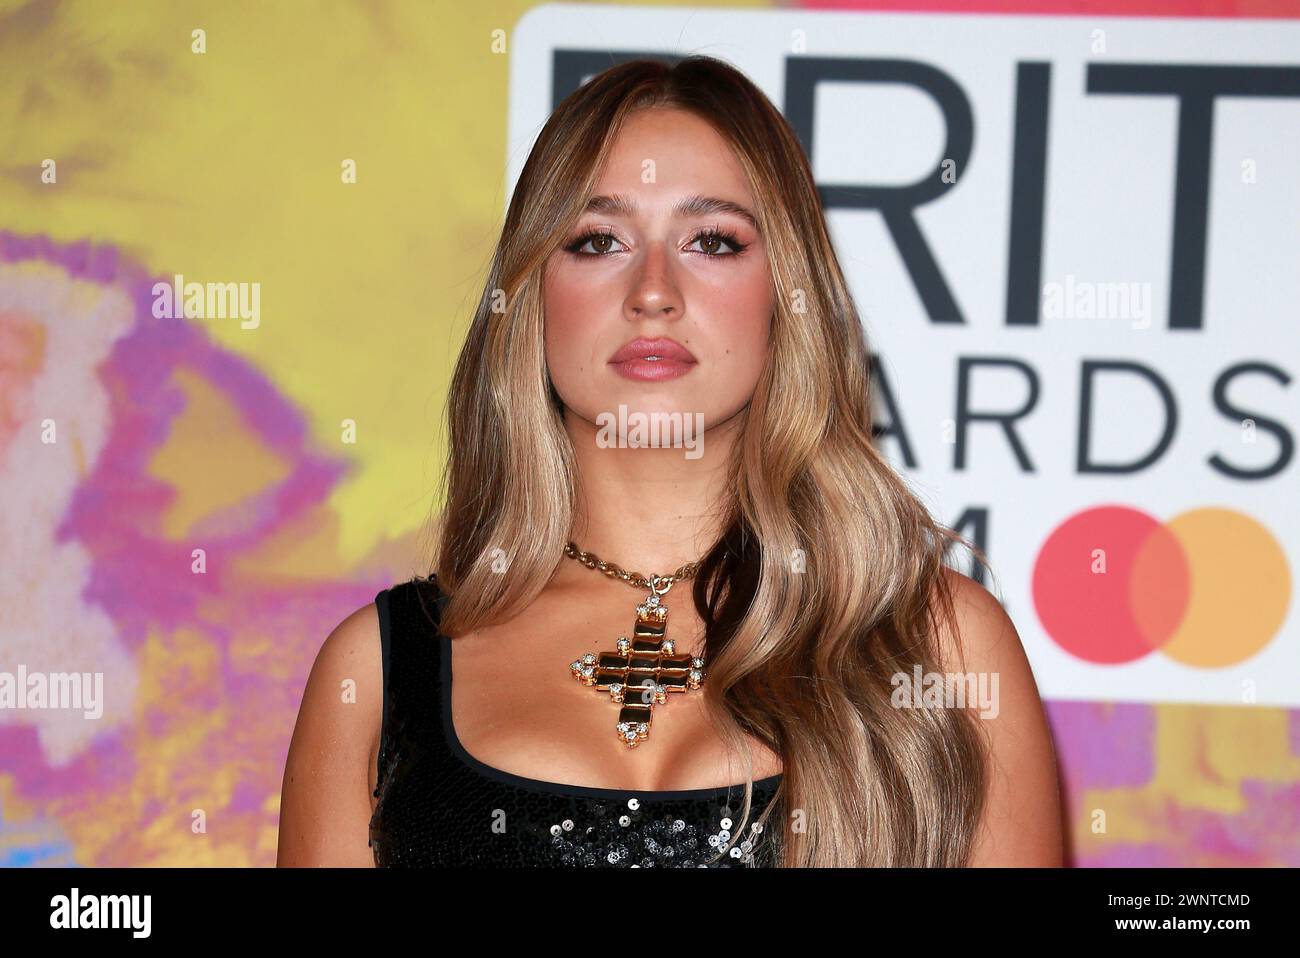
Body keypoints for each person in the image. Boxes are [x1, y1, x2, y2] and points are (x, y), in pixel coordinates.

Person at [277, 55, 1063, 868]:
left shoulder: (936, 645)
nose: (653, 290)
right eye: (599, 240)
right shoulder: (374, 669)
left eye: (713, 240)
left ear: (788, 294)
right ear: (531, 296)